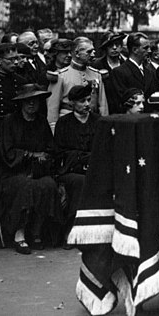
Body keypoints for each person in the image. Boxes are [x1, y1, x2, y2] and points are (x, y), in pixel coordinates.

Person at [0, 84, 61, 254]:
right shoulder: (9, 121)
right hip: (12, 171)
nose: (32, 104)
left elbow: (50, 148)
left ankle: (36, 231)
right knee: (26, 186)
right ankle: (19, 233)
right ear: (21, 103)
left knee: (48, 185)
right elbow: (7, 152)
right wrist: (31, 155)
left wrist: (44, 157)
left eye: (35, 101)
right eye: (28, 101)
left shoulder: (41, 121)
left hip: (38, 170)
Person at [54, 84, 100, 246]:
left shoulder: (98, 121)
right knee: (80, 182)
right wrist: (80, 158)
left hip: (95, 167)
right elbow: (59, 152)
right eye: (82, 101)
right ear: (72, 103)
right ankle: (71, 229)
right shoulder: (64, 123)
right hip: (70, 169)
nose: (87, 104)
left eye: (88, 100)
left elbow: (103, 148)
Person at [46, 37, 108, 133]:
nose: (93, 55)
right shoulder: (61, 76)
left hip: (92, 125)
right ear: (77, 53)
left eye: (93, 51)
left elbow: (103, 105)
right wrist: (54, 130)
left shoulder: (96, 75)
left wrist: (105, 127)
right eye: (89, 52)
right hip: (68, 126)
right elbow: (52, 108)